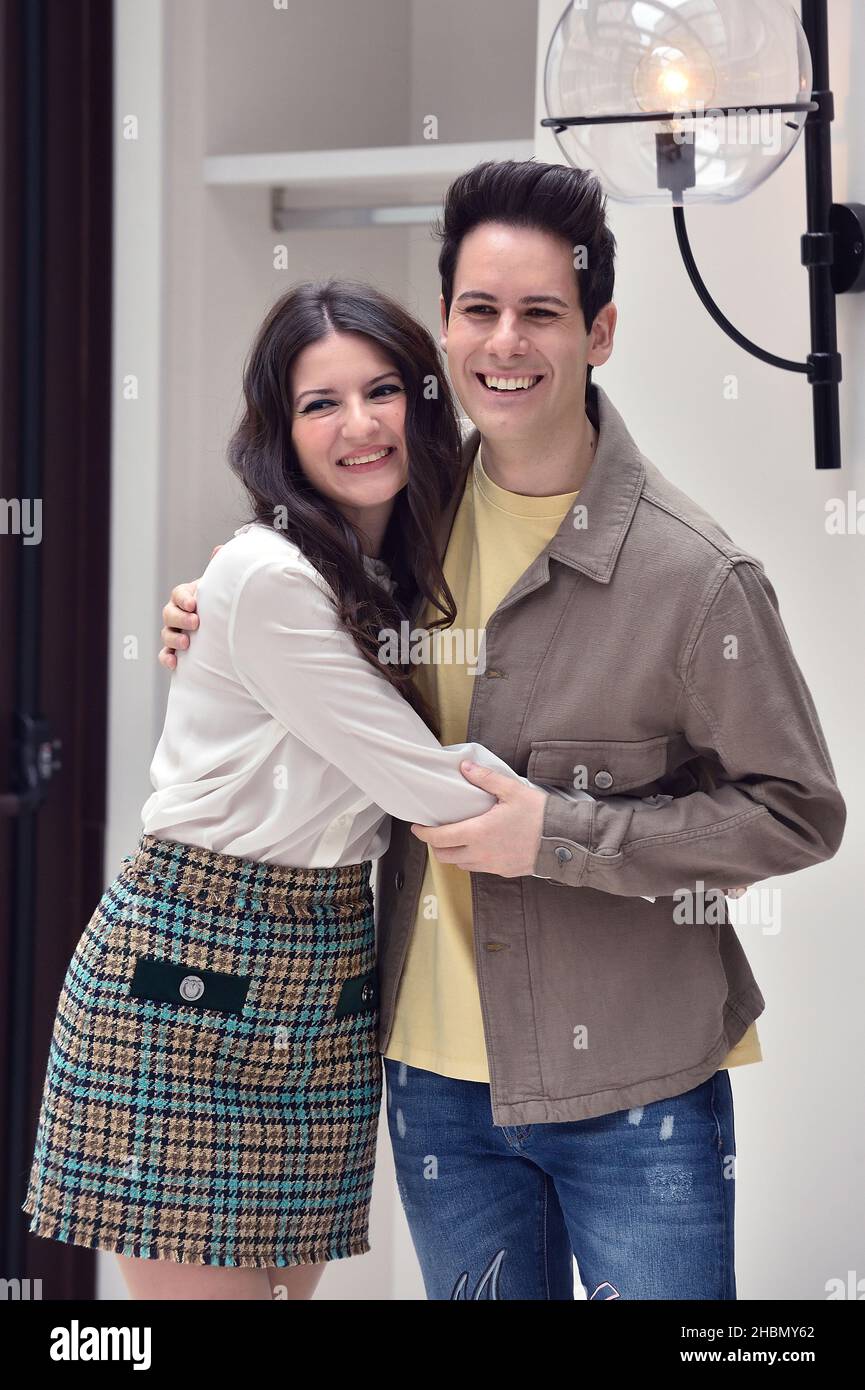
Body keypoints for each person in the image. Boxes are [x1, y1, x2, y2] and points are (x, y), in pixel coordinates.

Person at [159, 161, 842, 1300]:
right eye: (479, 310)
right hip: (431, 1082)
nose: (505, 342)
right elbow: (283, 606)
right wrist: (205, 607)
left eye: (541, 312)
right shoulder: (399, 525)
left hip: (635, 1089)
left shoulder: (693, 578)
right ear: (445, 324)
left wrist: (561, 835)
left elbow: (797, 812)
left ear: (600, 332)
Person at [21, 278, 568, 1301]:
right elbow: (426, 786)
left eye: (382, 390)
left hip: (328, 969)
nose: (359, 425)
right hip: (185, 973)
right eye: (321, 403)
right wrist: (598, 825)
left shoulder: (409, 568)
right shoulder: (268, 575)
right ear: (282, 431)